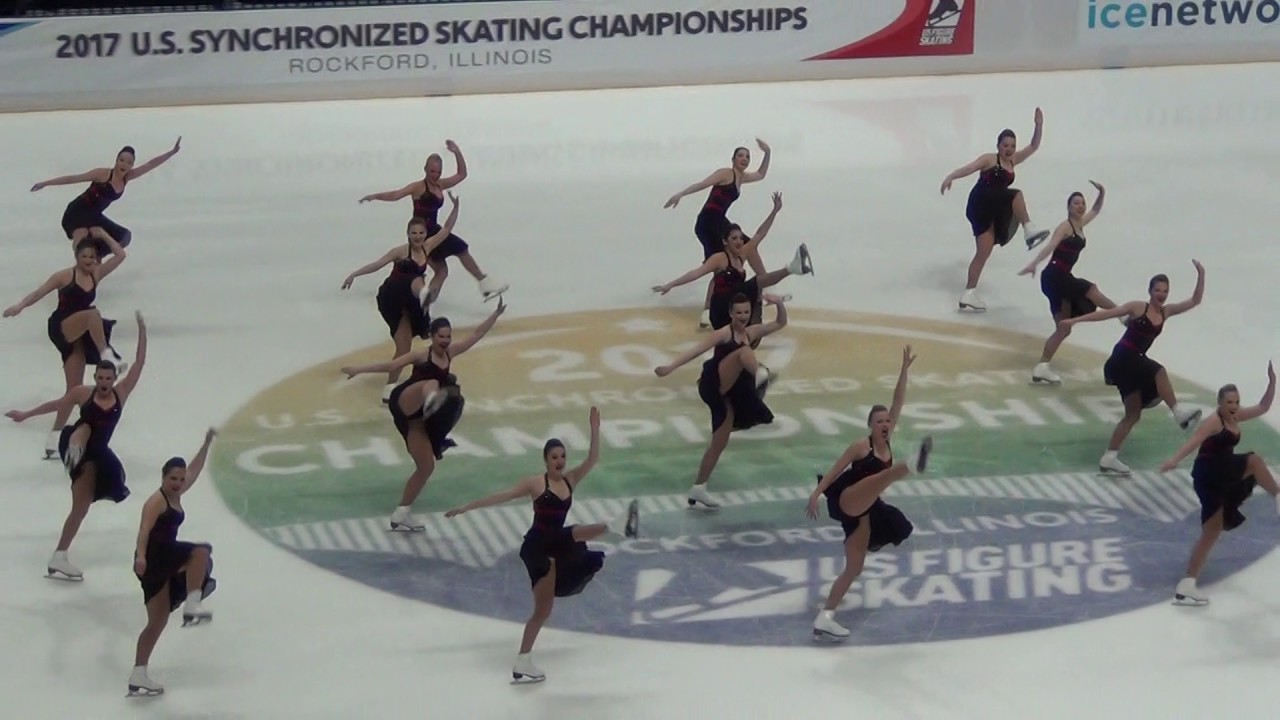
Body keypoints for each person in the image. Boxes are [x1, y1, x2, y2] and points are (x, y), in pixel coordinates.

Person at [445, 407, 639, 684]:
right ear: (546, 460)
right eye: (554, 457)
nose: (559, 461)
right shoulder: (536, 483)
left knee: (543, 610)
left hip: (555, 548)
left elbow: (593, 458)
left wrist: (595, 428)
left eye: (562, 456)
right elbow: (503, 496)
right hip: (539, 545)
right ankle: (616, 526)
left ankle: (523, 660)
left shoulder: (571, 480)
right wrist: (467, 507)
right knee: (572, 533)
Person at [341, 299, 506, 531]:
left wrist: (495, 314)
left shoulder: (450, 353)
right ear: (431, 336)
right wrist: (358, 370)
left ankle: (402, 513)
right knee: (431, 382)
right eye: (441, 337)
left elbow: (476, 335)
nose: (446, 341)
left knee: (426, 466)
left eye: (448, 337)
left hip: (417, 420)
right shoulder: (420, 355)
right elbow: (392, 366)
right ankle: (431, 401)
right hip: (407, 399)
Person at [5, 311, 147, 580]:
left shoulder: (122, 393)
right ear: (95, 378)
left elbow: (140, 363)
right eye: (100, 378)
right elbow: (57, 405)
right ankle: (74, 451)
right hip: (78, 444)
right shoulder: (84, 393)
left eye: (108, 379)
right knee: (84, 426)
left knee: (80, 508)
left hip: (98, 457)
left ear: (114, 379)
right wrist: (25, 414)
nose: (104, 383)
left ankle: (59, 555)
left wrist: (142, 331)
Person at [807, 346, 933, 641]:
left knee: (854, 569)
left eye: (888, 421)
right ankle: (911, 465)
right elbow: (836, 470)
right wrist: (816, 494)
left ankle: (824, 618)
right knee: (879, 479)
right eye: (880, 421)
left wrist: (904, 369)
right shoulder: (860, 446)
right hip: (847, 498)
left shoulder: (888, 436)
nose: (886, 424)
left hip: (863, 513)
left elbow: (898, 399)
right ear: (870, 426)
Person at [1060, 261, 1206, 475]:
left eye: (1165, 291)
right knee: (1159, 371)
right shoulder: (1138, 307)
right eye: (1157, 290)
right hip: (1124, 357)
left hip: (1134, 363)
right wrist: (1075, 320)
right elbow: (1106, 314)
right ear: (1150, 291)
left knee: (1133, 414)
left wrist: (1201, 274)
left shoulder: (1167, 312)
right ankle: (1178, 412)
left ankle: (1109, 457)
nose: (1161, 294)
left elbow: (1195, 300)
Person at [1158, 362, 1279, 606]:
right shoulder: (1214, 421)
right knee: (1254, 461)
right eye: (1229, 403)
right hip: (1210, 472)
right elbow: (1195, 440)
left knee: (1211, 532)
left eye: (1236, 402)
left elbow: (1264, 406)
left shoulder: (1237, 415)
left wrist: (1272, 384)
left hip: (1216, 476)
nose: (1234, 407)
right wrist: (1174, 460)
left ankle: (1187, 586)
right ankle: (1278, 494)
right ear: (1220, 403)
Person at [4, 228, 130, 458]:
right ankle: (106, 354)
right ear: (76, 258)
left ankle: (53, 436)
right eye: (85, 257)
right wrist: (20, 306)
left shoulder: (96, 274)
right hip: (62, 326)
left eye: (93, 257)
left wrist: (103, 235)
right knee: (94, 314)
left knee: (73, 392)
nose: (89, 261)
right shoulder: (64, 276)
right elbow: (39, 292)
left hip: (80, 336)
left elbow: (121, 255)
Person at [653, 294, 787, 509]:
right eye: (738, 312)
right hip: (713, 383)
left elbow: (780, 323)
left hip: (729, 393)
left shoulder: (752, 332)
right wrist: (670, 367)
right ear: (731, 313)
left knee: (719, 443)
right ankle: (760, 374)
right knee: (744, 352)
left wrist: (779, 303)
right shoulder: (724, 333)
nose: (743, 316)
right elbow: (696, 350)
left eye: (746, 312)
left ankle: (699, 488)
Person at [127, 427, 220, 698]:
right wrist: (141, 556)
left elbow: (195, 469)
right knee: (201, 552)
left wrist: (205, 445)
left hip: (163, 559)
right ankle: (193, 604)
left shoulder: (177, 491)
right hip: (154, 558)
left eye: (180, 479)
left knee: (157, 622)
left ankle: (138, 673)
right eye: (173, 479)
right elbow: (144, 530)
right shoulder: (156, 500)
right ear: (163, 477)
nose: (178, 483)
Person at [342, 198, 460, 401]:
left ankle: (390, 387)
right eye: (414, 233)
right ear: (408, 234)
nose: (418, 237)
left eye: (421, 233)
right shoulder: (400, 251)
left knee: (404, 348)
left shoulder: (428, 247)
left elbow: (447, 229)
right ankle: (423, 294)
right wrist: (355, 274)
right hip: (393, 297)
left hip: (411, 306)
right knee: (414, 278)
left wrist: (456, 207)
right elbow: (377, 264)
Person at [358, 142, 507, 303]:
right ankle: (479, 283)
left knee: (449, 263)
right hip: (423, 232)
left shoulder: (440, 184)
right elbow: (396, 195)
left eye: (438, 172)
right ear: (425, 169)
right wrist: (374, 196)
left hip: (435, 230)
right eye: (431, 171)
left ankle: (431, 299)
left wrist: (457, 152)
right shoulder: (418, 187)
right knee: (452, 259)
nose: (434, 175)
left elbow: (462, 174)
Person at [653, 192, 812, 331]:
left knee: (753, 310)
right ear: (725, 241)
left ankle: (790, 272)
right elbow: (695, 273)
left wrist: (775, 211)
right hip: (721, 311)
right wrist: (670, 285)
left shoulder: (742, 255)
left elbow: (760, 234)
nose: (739, 242)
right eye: (734, 238)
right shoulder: (720, 259)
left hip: (736, 308)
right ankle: (791, 269)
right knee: (753, 284)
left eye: (741, 239)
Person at [940, 109, 1048, 312]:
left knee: (984, 252)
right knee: (1016, 194)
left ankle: (969, 293)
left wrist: (1038, 125)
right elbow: (969, 168)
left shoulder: (1013, 160)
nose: (1009, 149)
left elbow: (1034, 146)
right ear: (998, 145)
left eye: (1013, 146)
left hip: (993, 207)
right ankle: (1029, 229)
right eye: (1005, 145)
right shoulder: (990, 159)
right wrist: (951, 176)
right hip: (981, 201)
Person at [663, 139, 771, 328]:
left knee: (749, 246)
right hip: (708, 222)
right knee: (721, 266)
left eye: (747, 156)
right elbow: (702, 184)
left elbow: (761, 174)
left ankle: (765, 283)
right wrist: (680, 194)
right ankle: (707, 310)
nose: (744, 159)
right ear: (733, 159)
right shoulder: (726, 173)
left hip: (720, 221)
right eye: (740, 156)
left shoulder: (741, 177)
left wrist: (768, 152)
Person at [1018, 181, 1118, 384]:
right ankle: (1123, 315)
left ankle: (1042, 367)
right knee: (1091, 289)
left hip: (1058, 279)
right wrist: (1034, 263)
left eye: (1082, 203)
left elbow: (1096, 210)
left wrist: (1102, 193)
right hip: (1055, 276)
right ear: (1069, 207)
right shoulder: (1065, 227)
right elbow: (1051, 246)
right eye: (1076, 203)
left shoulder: (1080, 224)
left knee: (1064, 327)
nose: (1080, 206)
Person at [31, 138, 182, 255]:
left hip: (95, 216)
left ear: (131, 165)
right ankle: (80, 269)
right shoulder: (102, 174)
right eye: (121, 160)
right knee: (81, 237)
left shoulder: (127, 177)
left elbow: (150, 164)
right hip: (77, 211)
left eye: (129, 162)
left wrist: (172, 152)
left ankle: (95, 258)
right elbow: (73, 178)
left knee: (124, 237)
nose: (124, 164)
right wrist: (45, 183)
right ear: (116, 160)